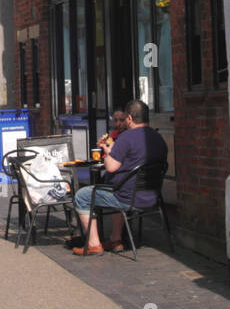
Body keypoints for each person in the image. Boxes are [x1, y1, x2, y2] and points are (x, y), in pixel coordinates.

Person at [70, 100, 167, 256]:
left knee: (83, 195)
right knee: (117, 186)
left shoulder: (127, 137)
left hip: (127, 198)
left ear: (129, 118)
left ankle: (94, 244)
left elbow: (111, 167)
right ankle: (115, 239)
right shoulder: (158, 138)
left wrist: (108, 152)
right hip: (152, 197)